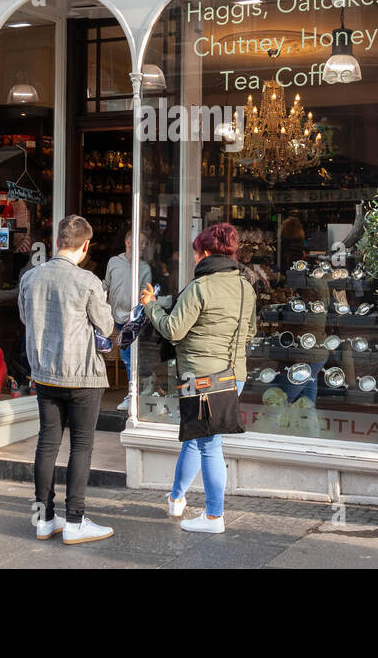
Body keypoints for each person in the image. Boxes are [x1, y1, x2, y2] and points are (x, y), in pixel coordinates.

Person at [139, 223, 255, 534]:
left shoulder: (200, 287)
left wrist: (150, 308)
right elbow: (250, 332)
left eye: (195, 252)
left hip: (200, 378)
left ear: (204, 253)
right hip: (233, 374)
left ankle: (214, 517)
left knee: (208, 444)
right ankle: (176, 499)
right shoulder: (246, 287)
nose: (193, 258)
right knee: (196, 438)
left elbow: (173, 330)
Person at [17, 214, 116, 545]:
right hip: (83, 375)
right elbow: (106, 327)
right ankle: (75, 520)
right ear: (85, 245)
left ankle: (43, 518)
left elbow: (24, 317)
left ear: (57, 240)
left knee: (47, 444)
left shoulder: (30, 278)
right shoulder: (88, 281)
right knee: (82, 445)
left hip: (45, 372)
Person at [103, 229, 153, 411]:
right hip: (118, 316)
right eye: (141, 241)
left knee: (129, 357)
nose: (144, 245)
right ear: (128, 242)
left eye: (145, 243)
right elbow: (106, 285)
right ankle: (147, 380)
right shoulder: (114, 262)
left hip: (135, 317)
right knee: (131, 356)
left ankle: (133, 395)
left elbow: (144, 293)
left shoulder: (144, 267)